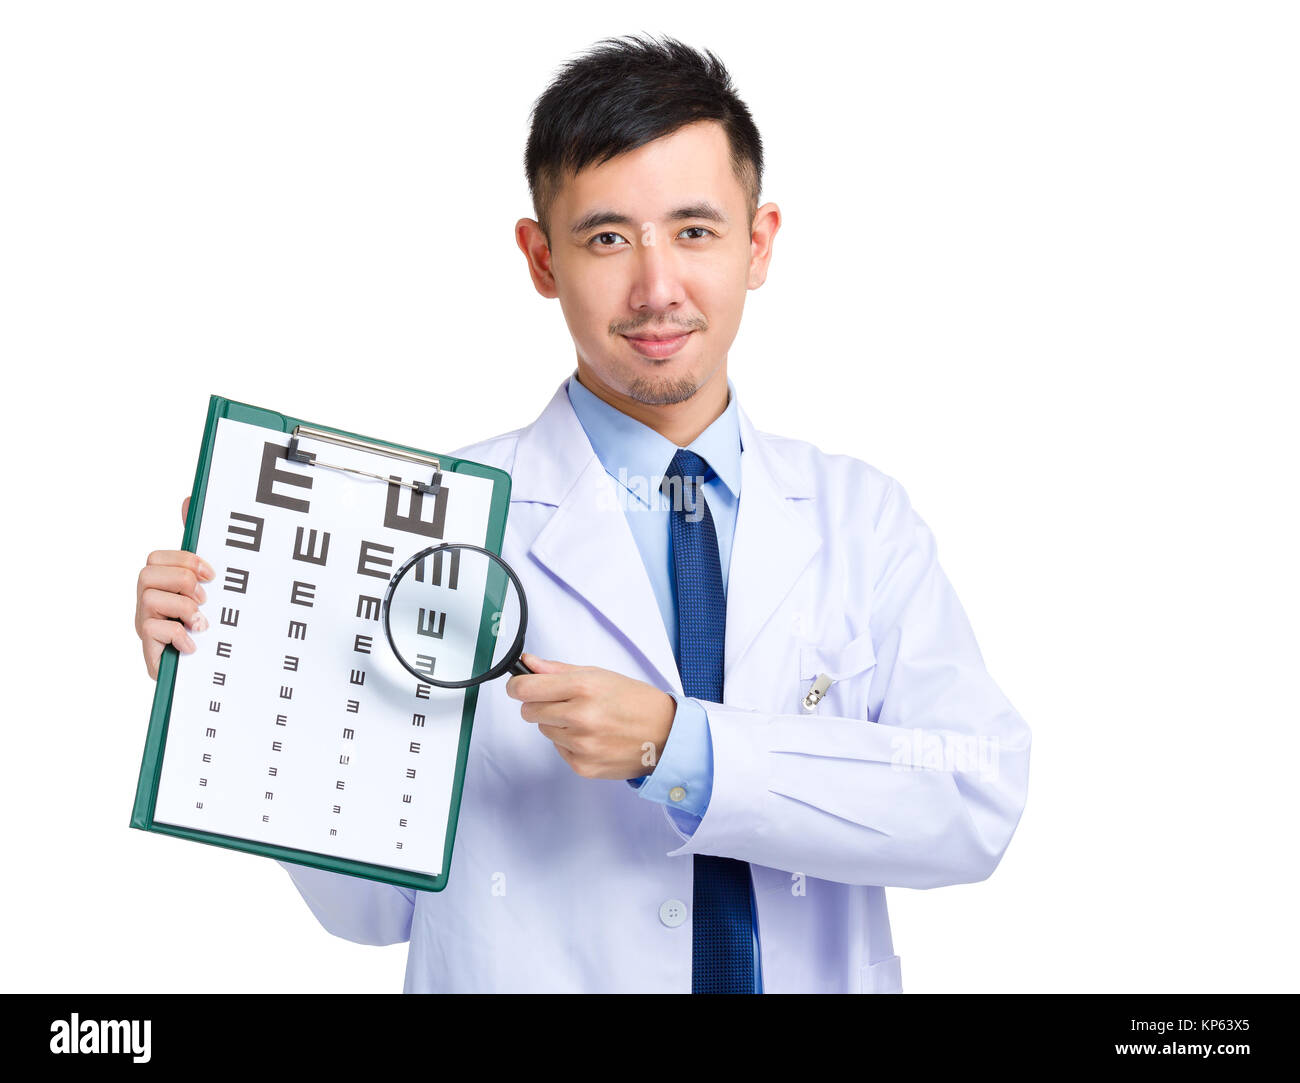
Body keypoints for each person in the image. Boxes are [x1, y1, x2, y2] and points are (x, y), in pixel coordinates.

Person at [132, 33, 1031, 994]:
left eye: (695, 230)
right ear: (540, 257)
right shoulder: (429, 528)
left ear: (758, 242)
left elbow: (973, 802)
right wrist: (246, 665)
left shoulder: (862, 520)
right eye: (607, 237)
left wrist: (679, 747)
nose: (656, 289)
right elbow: (368, 912)